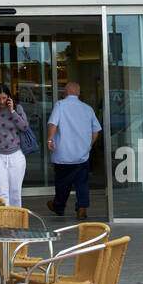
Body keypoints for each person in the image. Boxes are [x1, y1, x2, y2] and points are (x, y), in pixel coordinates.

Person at [46, 82, 101, 218]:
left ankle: (58, 206)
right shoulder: (87, 108)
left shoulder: (60, 105)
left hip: (63, 154)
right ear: (78, 93)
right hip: (82, 154)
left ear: (65, 92)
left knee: (62, 183)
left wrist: (50, 139)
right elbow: (96, 131)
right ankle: (81, 207)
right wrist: (89, 145)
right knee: (82, 183)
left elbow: (53, 123)